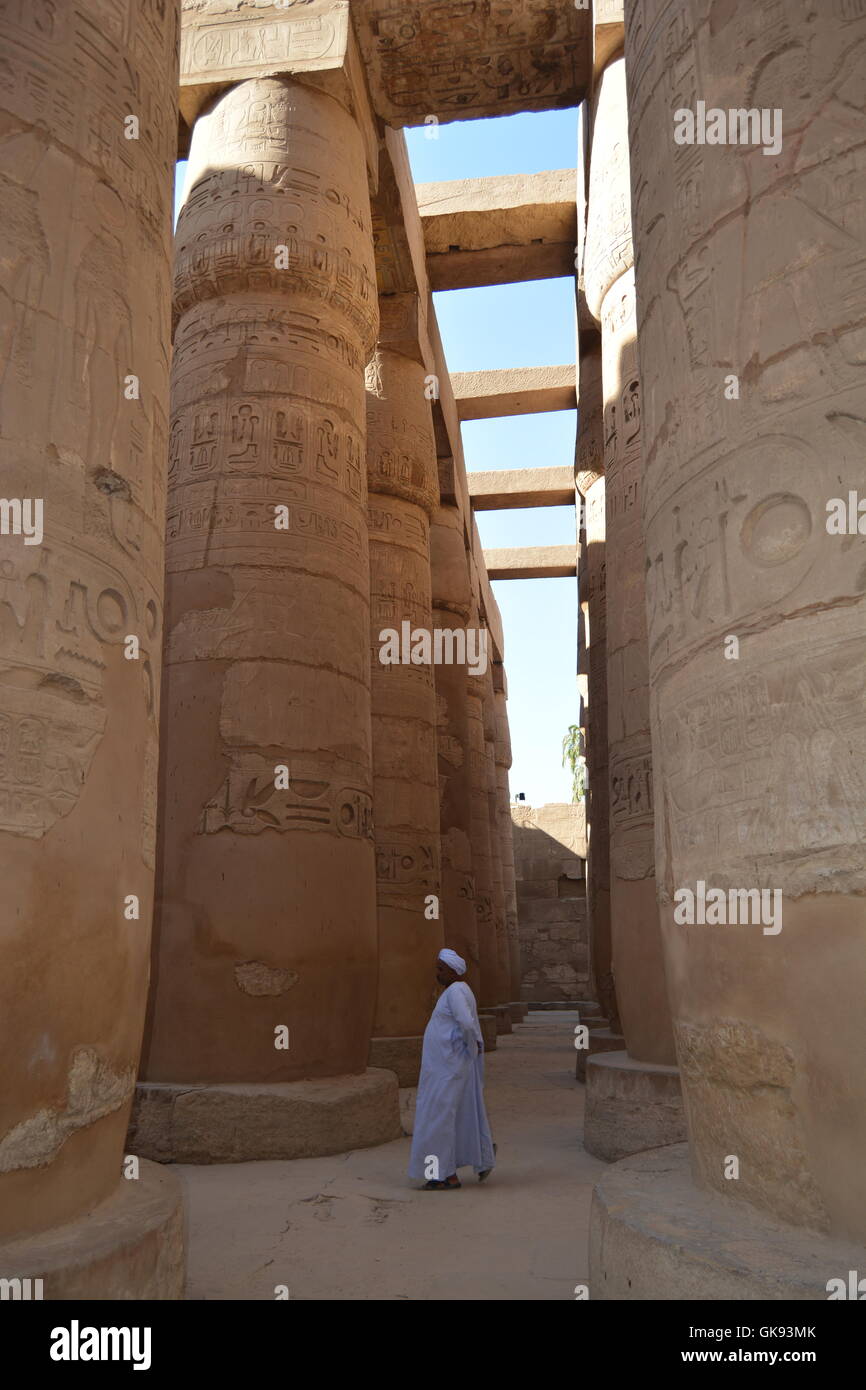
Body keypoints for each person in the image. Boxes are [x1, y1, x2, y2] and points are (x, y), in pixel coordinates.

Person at [408, 949, 496, 1190]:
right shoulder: (459, 990)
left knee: (437, 1119)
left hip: (447, 1068)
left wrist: (469, 1048)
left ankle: (444, 1175)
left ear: (453, 971)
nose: (436, 973)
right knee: (448, 1118)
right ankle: (449, 1172)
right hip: (445, 1066)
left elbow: (467, 1024)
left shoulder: (456, 991)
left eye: (440, 969)